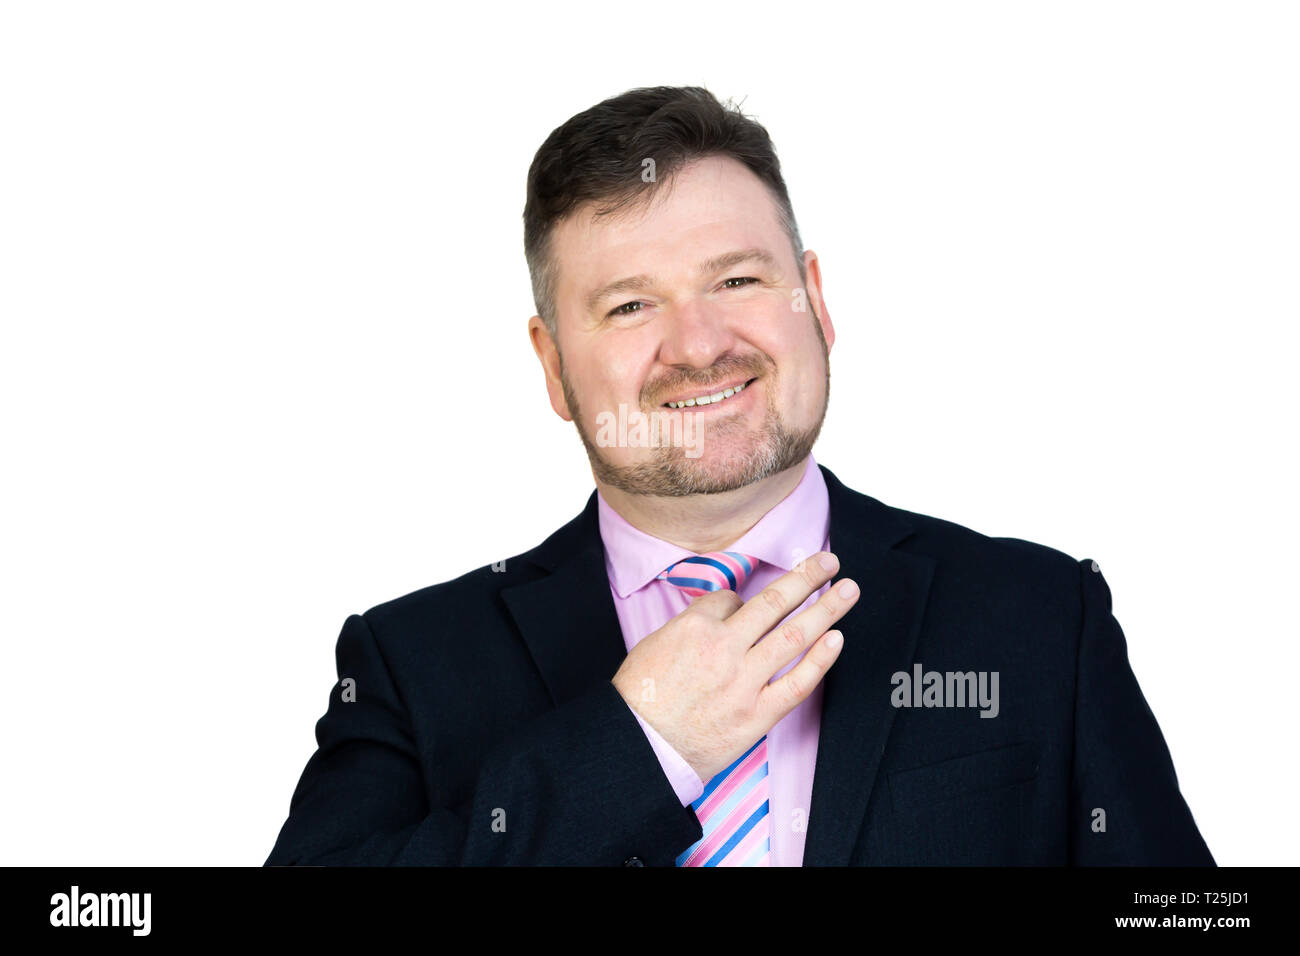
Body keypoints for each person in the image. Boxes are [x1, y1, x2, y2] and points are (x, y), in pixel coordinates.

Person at [265, 86, 1214, 866]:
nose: (701, 345)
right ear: (552, 365)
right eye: (631, 304)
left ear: (816, 303)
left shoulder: (1040, 616)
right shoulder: (414, 662)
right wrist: (640, 748)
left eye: (737, 281)